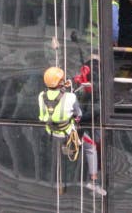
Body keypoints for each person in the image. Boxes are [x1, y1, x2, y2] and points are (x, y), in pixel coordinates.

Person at [38, 66, 105, 196]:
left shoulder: (42, 96)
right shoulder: (70, 97)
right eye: (62, 79)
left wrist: (63, 89)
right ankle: (93, 181)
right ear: (60, 82)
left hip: (51, 131)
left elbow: (45, 112)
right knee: (91, 147)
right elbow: (78, 115)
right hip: (68, 132)